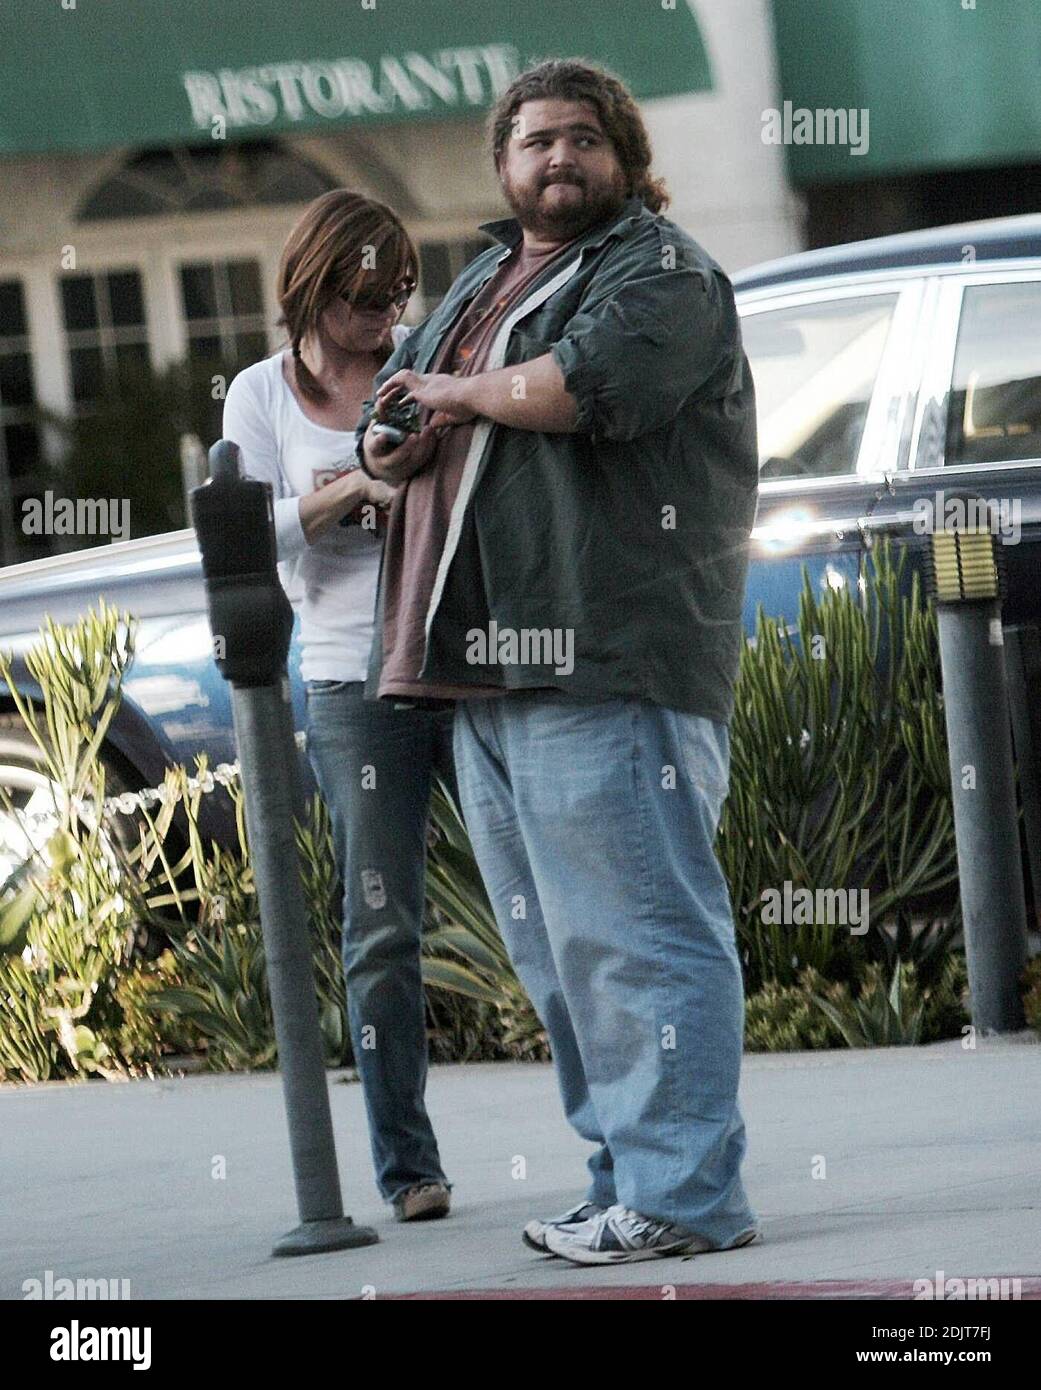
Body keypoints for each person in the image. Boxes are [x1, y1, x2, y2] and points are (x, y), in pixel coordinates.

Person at [355, 60, 761, 1264]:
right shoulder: (483, 279)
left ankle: (687, 1195)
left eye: (586, 139)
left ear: (626, 160)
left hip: (606, 653)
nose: (560, 159)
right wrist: (391, 434)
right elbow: (401, 407)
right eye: (537, 141)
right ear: (504, 164)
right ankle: (624, 1178)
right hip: (478, 665)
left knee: (640, 934)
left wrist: (454, 393)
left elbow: (591, 386)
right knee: (559, 951)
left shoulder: (663, 271)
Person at [223, 190, 455, 1223]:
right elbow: (243, 533)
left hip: (460, 648)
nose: (380, 322)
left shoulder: (425, 359)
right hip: (350, 671)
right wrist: (351, 487)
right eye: (363, 302)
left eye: (394, 298)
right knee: (381, 926)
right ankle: (408, 1166)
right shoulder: (259, 395)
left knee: (541, 896)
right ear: (311, 292)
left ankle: (615, 1140)